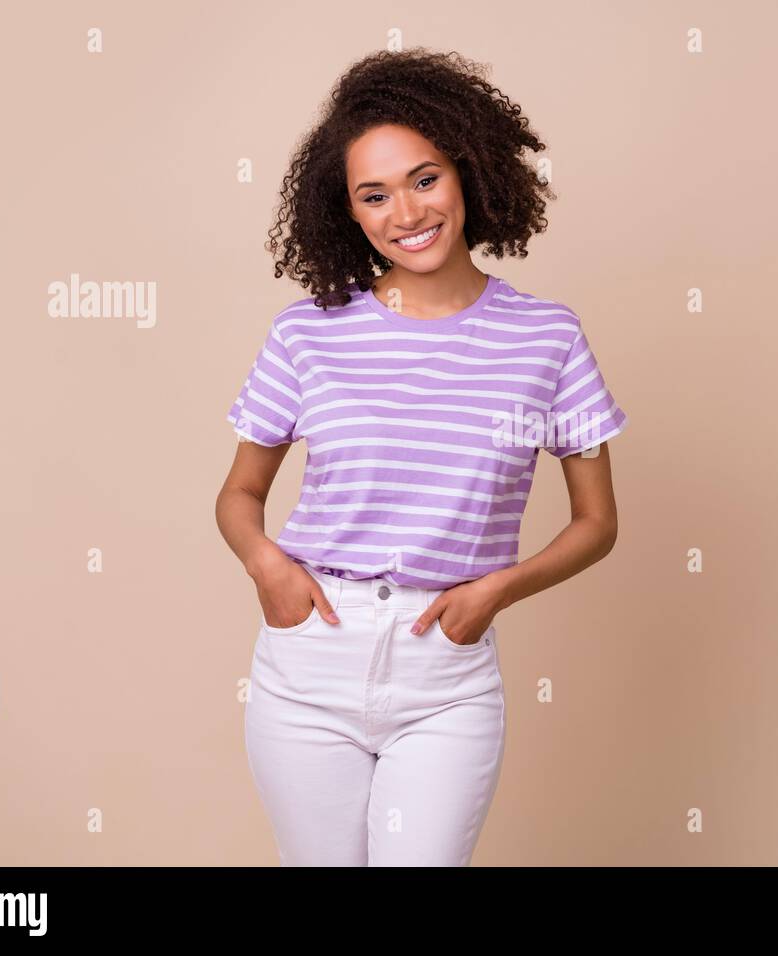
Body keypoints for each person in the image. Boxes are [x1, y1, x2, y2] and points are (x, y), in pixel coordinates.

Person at [215, 48, 629, 866]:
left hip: (445, 673)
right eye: (375, 195)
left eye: (424, 178)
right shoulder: (309, 334)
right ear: (351, 215)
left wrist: (497, 592)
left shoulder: (546, 338)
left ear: (468, 173)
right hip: (308, 663)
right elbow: (239, 495)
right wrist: (268, 566)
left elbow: (597, 523)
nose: (406, 211)